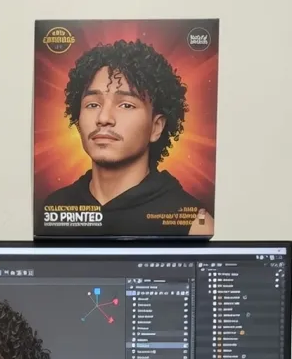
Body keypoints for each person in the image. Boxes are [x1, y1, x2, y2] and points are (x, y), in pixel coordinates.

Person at [38, 39, 214, 237]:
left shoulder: (193, 223)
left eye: (126, 105)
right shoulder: (55, 208)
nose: (103, 118)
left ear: (156, 127)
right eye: (92, 105)